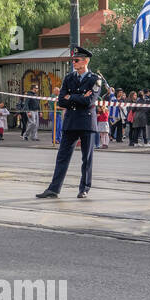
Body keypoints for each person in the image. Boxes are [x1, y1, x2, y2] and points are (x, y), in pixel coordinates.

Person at [37, 46, 99, 200]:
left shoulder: (94, 79)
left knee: (87, 158)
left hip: (86, 122)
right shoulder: (68, 78)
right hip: (71, 121)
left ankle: (84, 188)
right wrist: (78, 97)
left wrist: (71, 98)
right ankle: (54, 189)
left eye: (76, 60)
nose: (74, 62)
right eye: (73, 60)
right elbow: (61, 101)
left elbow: (89, 100)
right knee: (62, 157)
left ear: (85, 61)